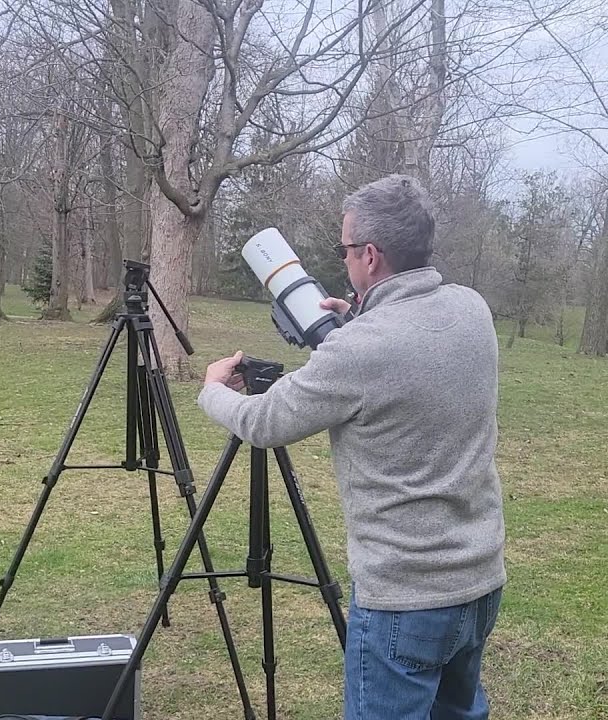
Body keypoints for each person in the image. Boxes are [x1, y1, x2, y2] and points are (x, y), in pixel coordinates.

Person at [196, 174, 506, 720]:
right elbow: (412, 350)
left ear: (369, 254)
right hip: (478, 582)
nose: (342, 260)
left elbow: (265, 422)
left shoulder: (360, 348)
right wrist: (358, 318)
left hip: (404, 599)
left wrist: (212, 390)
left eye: (344, 249)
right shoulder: (472, 310)